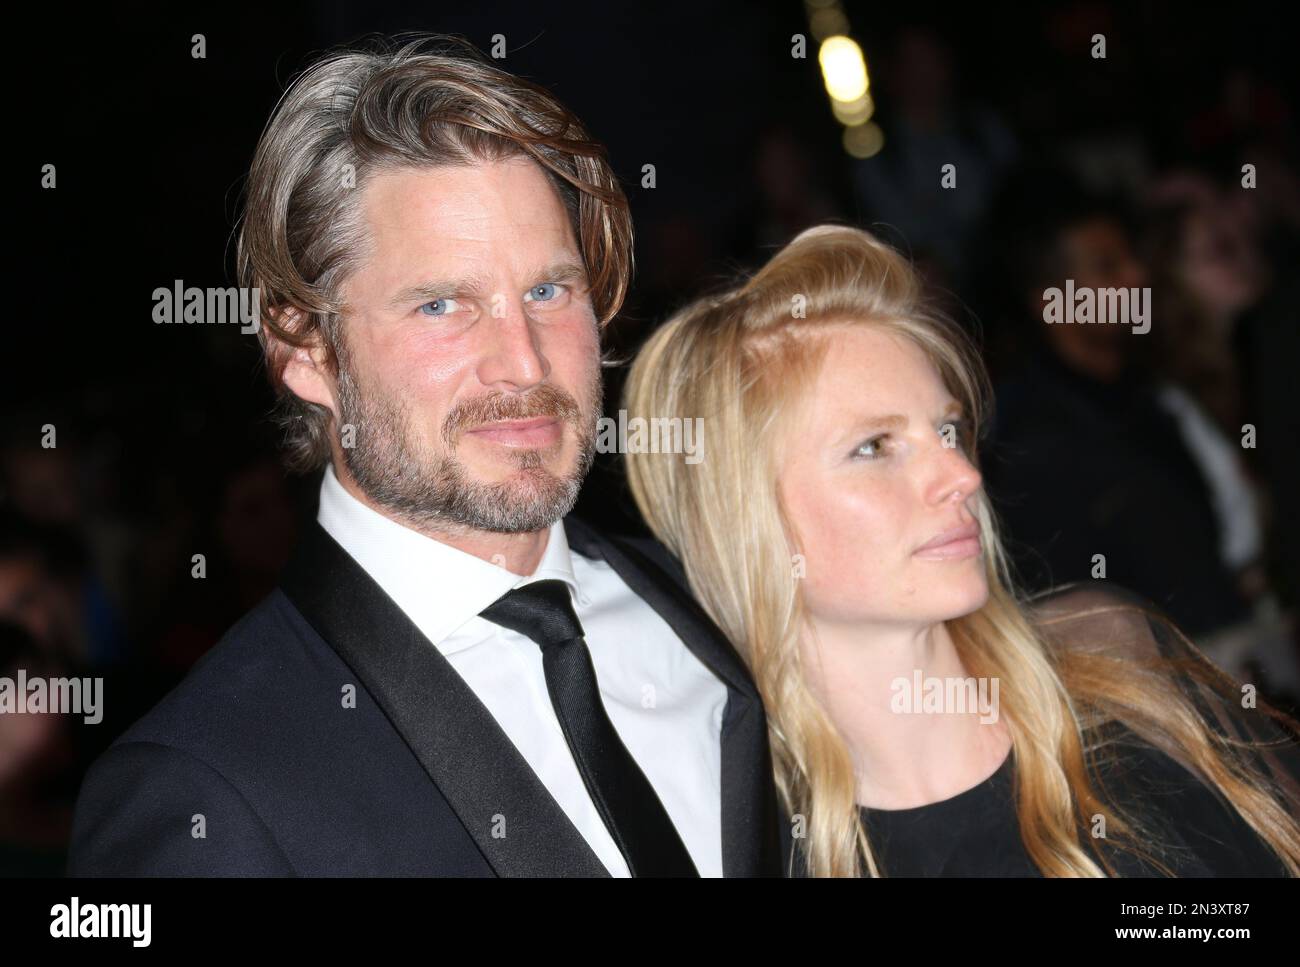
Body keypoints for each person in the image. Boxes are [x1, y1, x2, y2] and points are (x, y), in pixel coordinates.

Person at [67, 35, 781, 877]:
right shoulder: (204, 788)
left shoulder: (708, 608)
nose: (524, 360)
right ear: (306, 351)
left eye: (549, 290)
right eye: (442, 304)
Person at [623, 223, 1300, 876]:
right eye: (874, 447)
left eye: (947, 429)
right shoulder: (757, 849)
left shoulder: (1125, 668)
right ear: (745, 517)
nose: (963, 475)